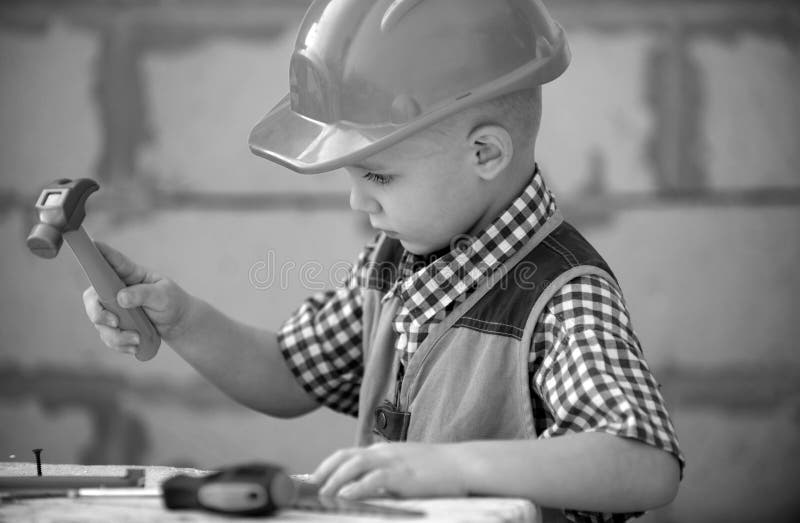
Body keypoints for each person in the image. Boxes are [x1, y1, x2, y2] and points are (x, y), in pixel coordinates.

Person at [84, 1, 684, 521]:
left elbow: (642, 461)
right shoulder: (395, 261)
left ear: (484, 152)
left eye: (378, 174)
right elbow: (289, 376)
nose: (357, 198)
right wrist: (182, 320)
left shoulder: (562, 294)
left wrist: (449, 467)